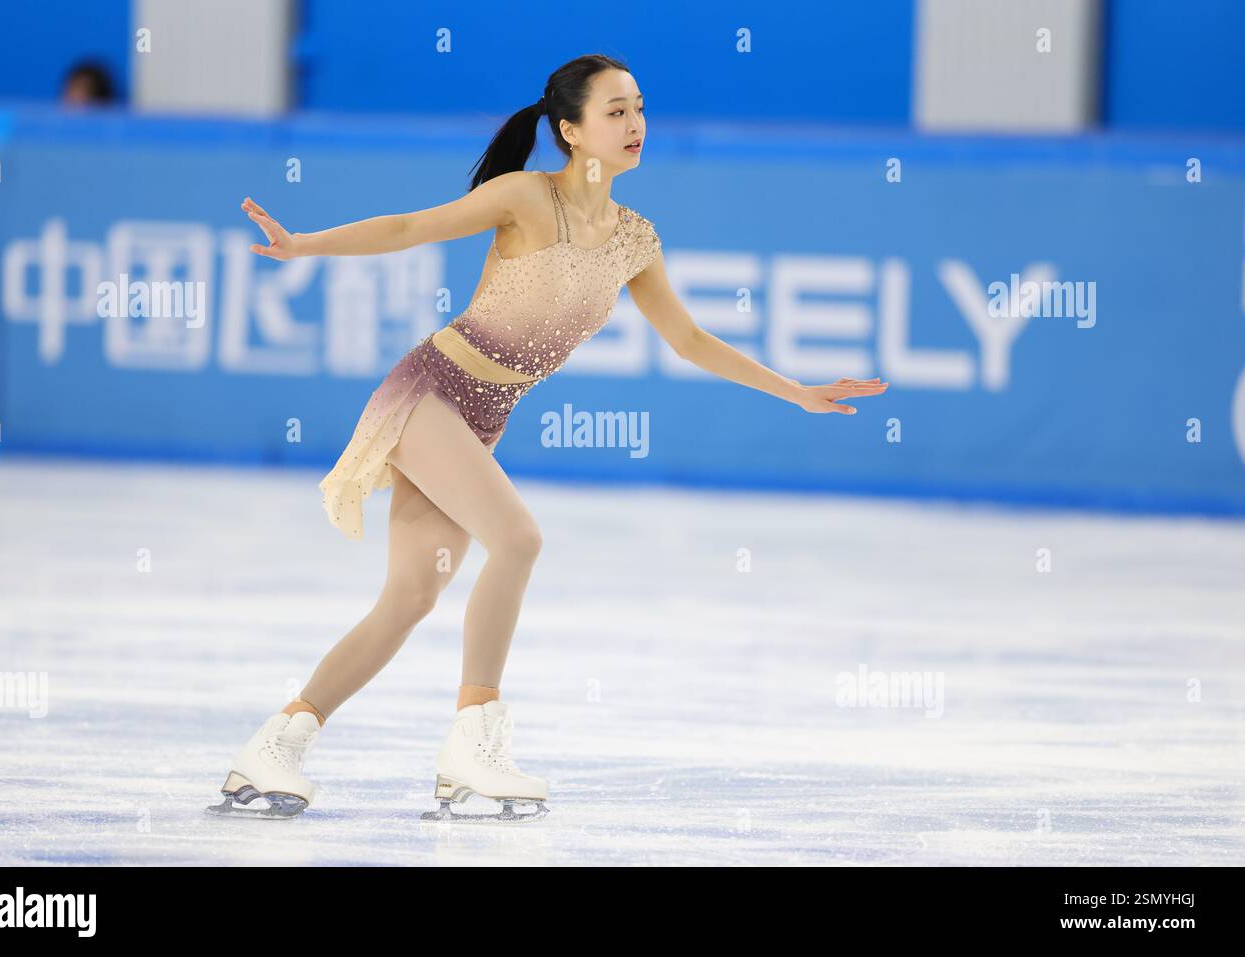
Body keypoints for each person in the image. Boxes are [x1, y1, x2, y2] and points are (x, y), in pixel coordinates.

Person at [209, 53, 888, 822]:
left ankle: (278, 740)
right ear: (569, 129)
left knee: (409, 596)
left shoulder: (634, 238)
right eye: (614, 111)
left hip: (481, 420)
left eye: (639, 108)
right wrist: (303, 245)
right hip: (430, 392)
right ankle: (474, 737)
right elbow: (410, 227)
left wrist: (797, 392)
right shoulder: (525, 198)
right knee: (520, 540)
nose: (633, 124)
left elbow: (691, 339)